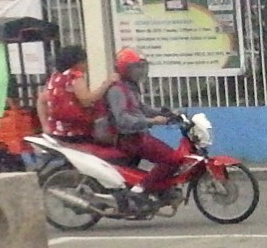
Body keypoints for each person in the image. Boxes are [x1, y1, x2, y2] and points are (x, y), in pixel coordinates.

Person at [99, 48, 184, 207]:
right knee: (172, 159)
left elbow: (142, 108)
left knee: (171, 158)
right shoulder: (117, 89)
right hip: (129, 139)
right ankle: (141, 190)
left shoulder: (130, 87)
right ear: (125, 69)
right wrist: (152, 121)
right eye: (136, 68)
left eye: (141, 67)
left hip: (138, 135)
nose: (140, 72)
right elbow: (122, 119)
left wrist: (166, 112)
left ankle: (160, 190)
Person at [38, 46, 116, 141]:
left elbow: (41, 101)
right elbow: (86, 100)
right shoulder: (75, 77)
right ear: (77, 63)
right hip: (77, 132)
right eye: (84, 62)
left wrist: (45, 125)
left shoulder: (55, 78)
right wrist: (106, 84)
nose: (86, 65)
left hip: (57, 132)